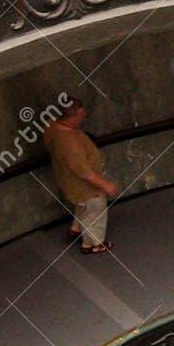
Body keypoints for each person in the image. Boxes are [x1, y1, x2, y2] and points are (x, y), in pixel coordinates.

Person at [42, 97, 118, 255]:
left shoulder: (52, 127)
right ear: (72, 116)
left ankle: (75, 229)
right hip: (85, 188)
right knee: (95, 211)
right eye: (80, 114)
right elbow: (85, 172)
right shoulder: (70, 144)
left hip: (68, 182)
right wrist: (105, 185)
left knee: (83, 207)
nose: (83, 116)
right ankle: (92, 243)